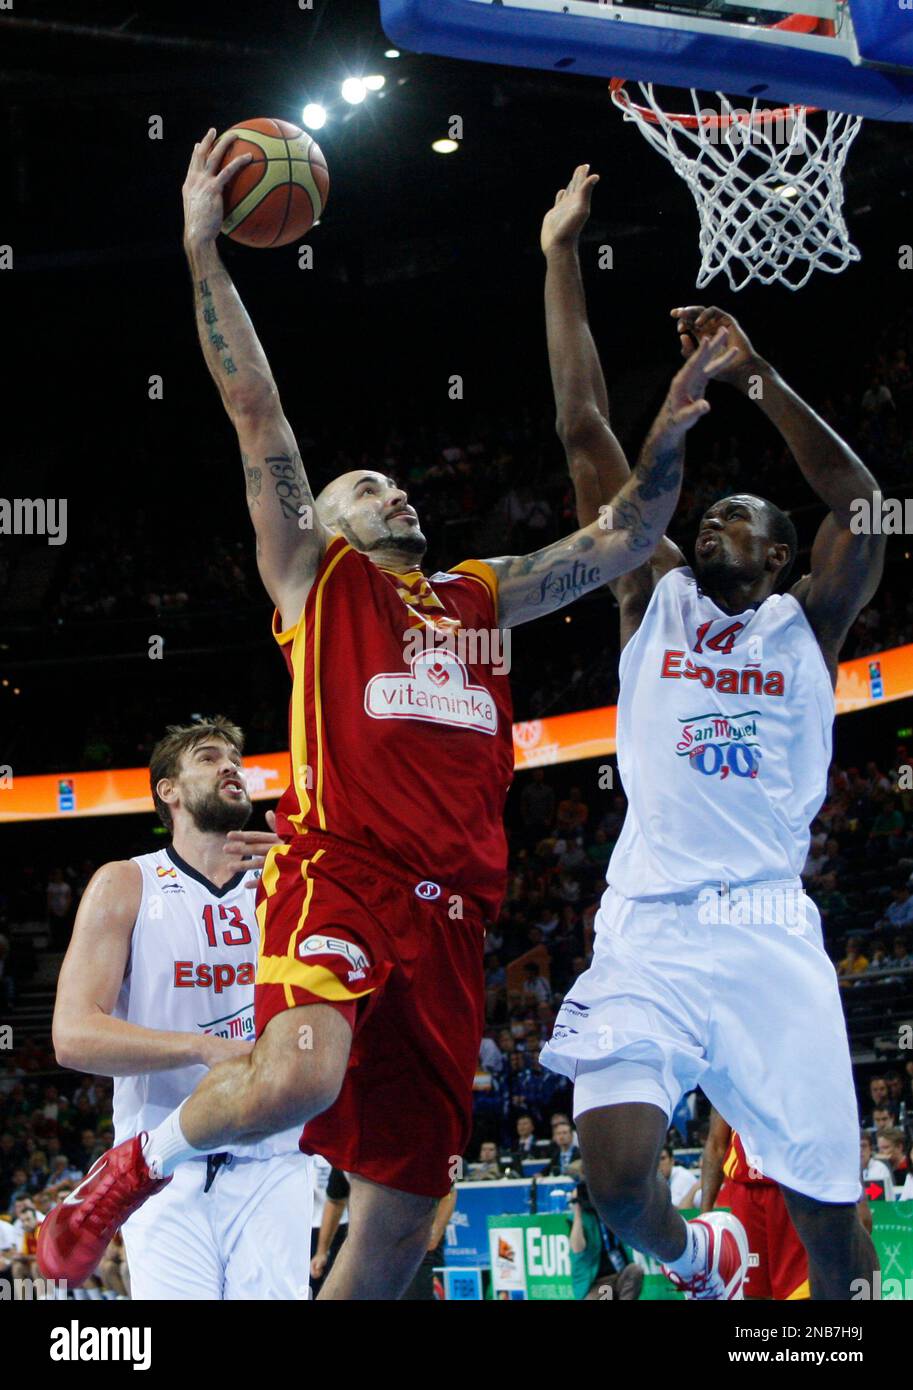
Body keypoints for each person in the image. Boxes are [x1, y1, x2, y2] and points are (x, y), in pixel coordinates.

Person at [38, 132, 734, 1301]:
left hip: (454, 912)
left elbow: (617, 536)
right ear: (334, 518)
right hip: (341, 870)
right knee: (302, 1077)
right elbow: (257, 412)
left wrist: (668, 425)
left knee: (407, 1214)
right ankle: (129, 1168)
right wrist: (204, 251)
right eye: (367, 485)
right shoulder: (318, 581)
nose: (391, 489)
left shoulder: (480, 592)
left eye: (395, 483)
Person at [537, 165, 885, 1299]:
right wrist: (559, 257)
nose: (716, 517)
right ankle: (701, 1261)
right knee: (619, 1180)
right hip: (647, 930)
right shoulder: (655, 594)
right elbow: (582, 424)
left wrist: (760, 378)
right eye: (712, 510)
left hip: (768, 930)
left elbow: (866, 507)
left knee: (831, 1238)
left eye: (742, 517)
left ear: (780, 554)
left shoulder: (807, 623)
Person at [40, 718, 313, 1299]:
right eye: (211, 758)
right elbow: (72, 1036)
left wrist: (313, 871)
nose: (231, 768)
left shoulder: (290, 881)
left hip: (276, 1160)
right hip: (161, 1172)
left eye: (235, 759)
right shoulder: (126, 883)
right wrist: (203, 1048)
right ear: (168, 789)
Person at [702, 1108, 809, 1300]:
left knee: (799, 1293)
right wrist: (705, 1215)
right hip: (746, 1194)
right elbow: (716, 1143)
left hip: (794, 1189)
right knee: (750, 1292)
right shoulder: (726, 1078)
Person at [568, 1178, 643, 1301]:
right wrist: (577, 1210)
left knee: (635, 1270)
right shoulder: (581, 1219)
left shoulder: (612, 1212)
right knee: (606, 1293)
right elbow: (577, 1248)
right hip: (600, 1284)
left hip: (620, 1276)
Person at [659, 1144, 701, 1211]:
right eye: (656, 1159)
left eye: (662, 1158)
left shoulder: (681, 1177)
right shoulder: (662, 1180)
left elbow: (679, 1212)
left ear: (672, 1161)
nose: (659, 1164)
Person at [860, 1132, 895, 1202]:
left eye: (863, 1146)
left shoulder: (880, 1169)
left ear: (871, 1149)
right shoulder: (846, 1171)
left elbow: (887, 1198)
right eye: (856, 1146)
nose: (860, 1150)